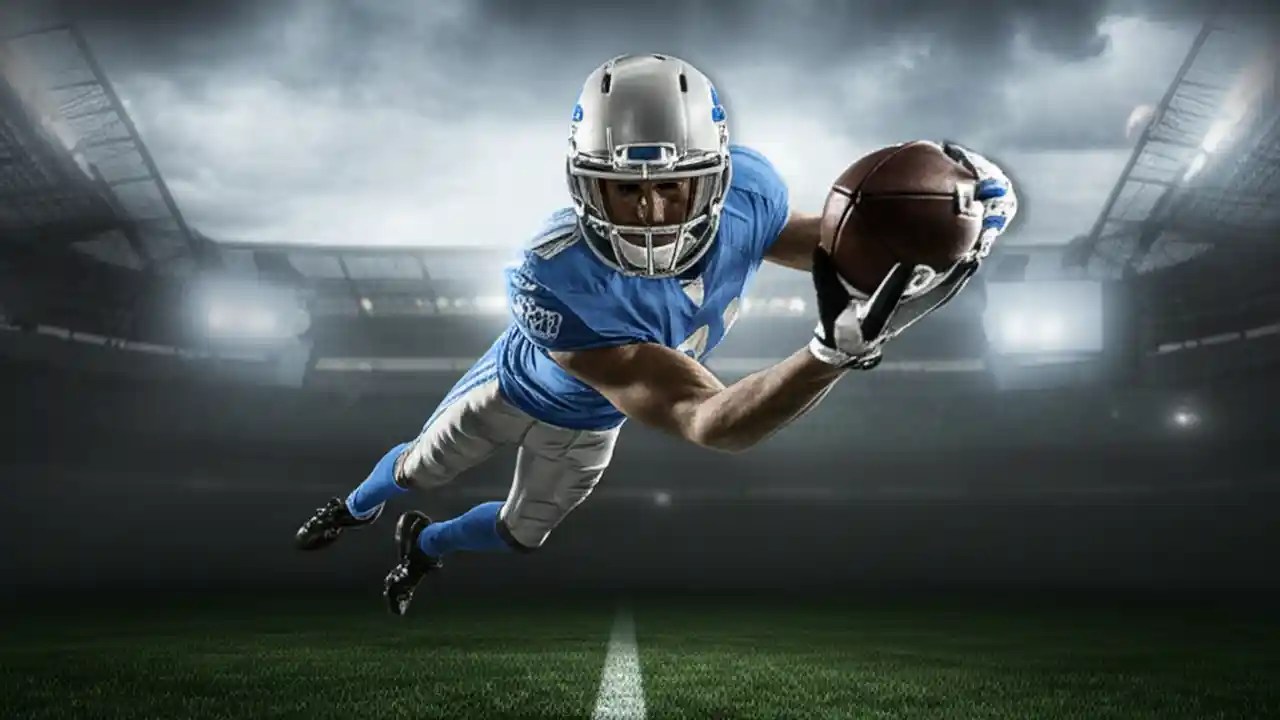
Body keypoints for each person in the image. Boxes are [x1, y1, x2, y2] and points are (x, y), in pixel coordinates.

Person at [293, 54, 1017, 615]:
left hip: (591, 424)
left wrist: (932, 235)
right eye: (624, 189)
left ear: (716, 179)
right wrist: (827, 355)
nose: (650, 212)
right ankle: (353, 508)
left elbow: (813, 241)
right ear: (584, 185)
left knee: (520, 534)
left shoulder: (750, 196)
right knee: (420, 468)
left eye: (673, 186)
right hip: (512, 389)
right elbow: (708, 419)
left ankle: (423, 545)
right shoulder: (553, 275)